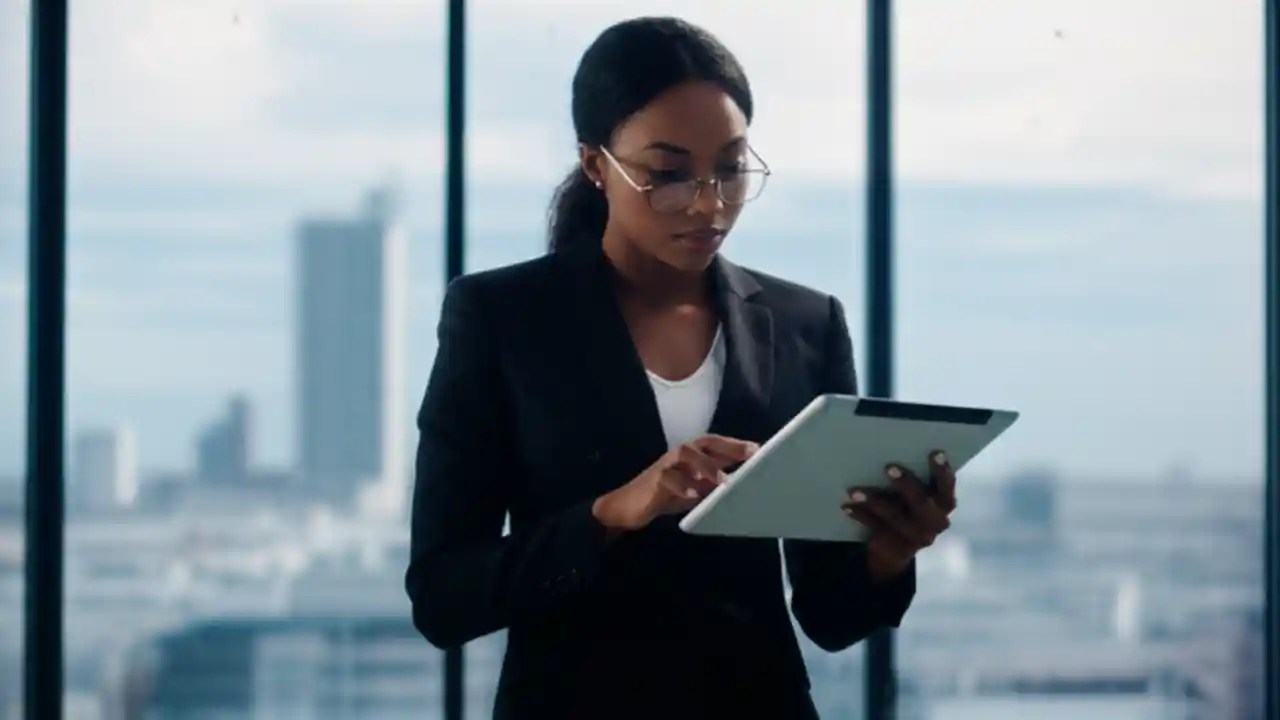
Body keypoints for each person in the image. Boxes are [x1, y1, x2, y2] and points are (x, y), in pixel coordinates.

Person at [406, 16, 957, 720]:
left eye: (730, 168)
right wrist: (611, 514)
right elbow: (443, 597)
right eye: (668, 174)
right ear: (595, 164)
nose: (708, 203)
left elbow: (829, 613)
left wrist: (889, 550)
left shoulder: (804, 326)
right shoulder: (502, 318)